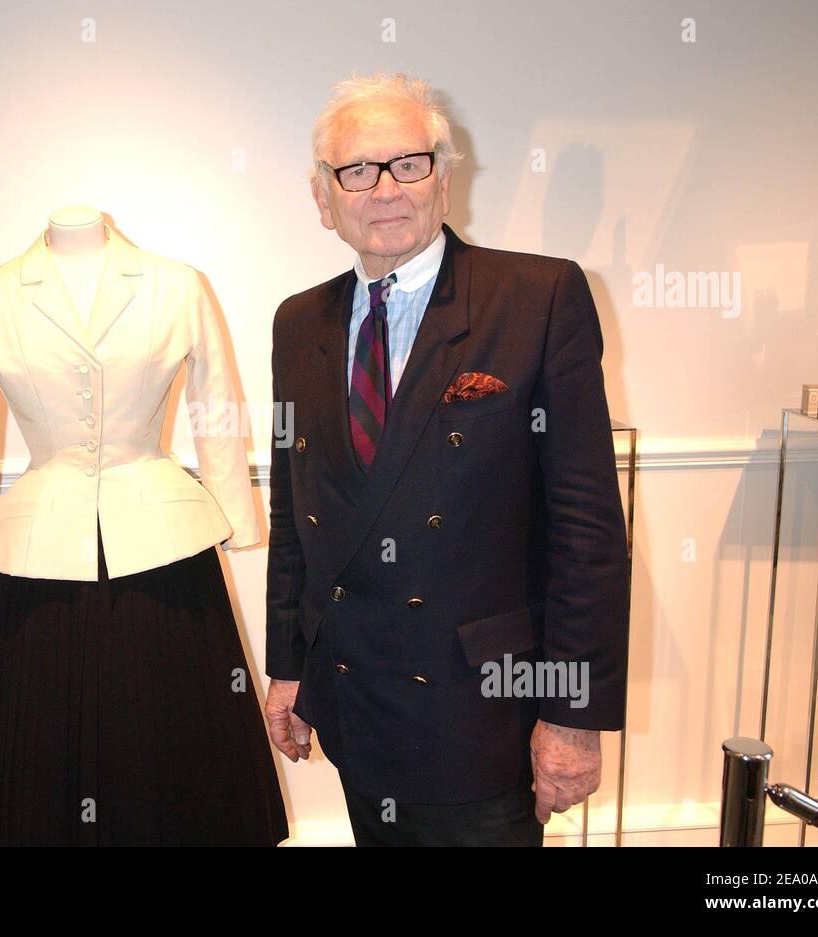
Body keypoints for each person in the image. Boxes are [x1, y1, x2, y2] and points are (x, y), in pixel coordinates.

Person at [264, 73, 630, 846]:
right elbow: (294, 518)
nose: (385, 189)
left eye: (409, 163)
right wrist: (289, 665)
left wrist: (572, 715)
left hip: (482, 712)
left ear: (446, 176)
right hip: (354, 702)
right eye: (356, 170)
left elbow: (587, 532)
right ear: (322, 197)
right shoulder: (298, 324)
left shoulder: (539, 297)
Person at [0, 209, 288, 845]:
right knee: (41, 736)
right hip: (39, 557)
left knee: (172, 727)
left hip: (165, 552)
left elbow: (217, 403)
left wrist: (237, 517)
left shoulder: (177, 284)